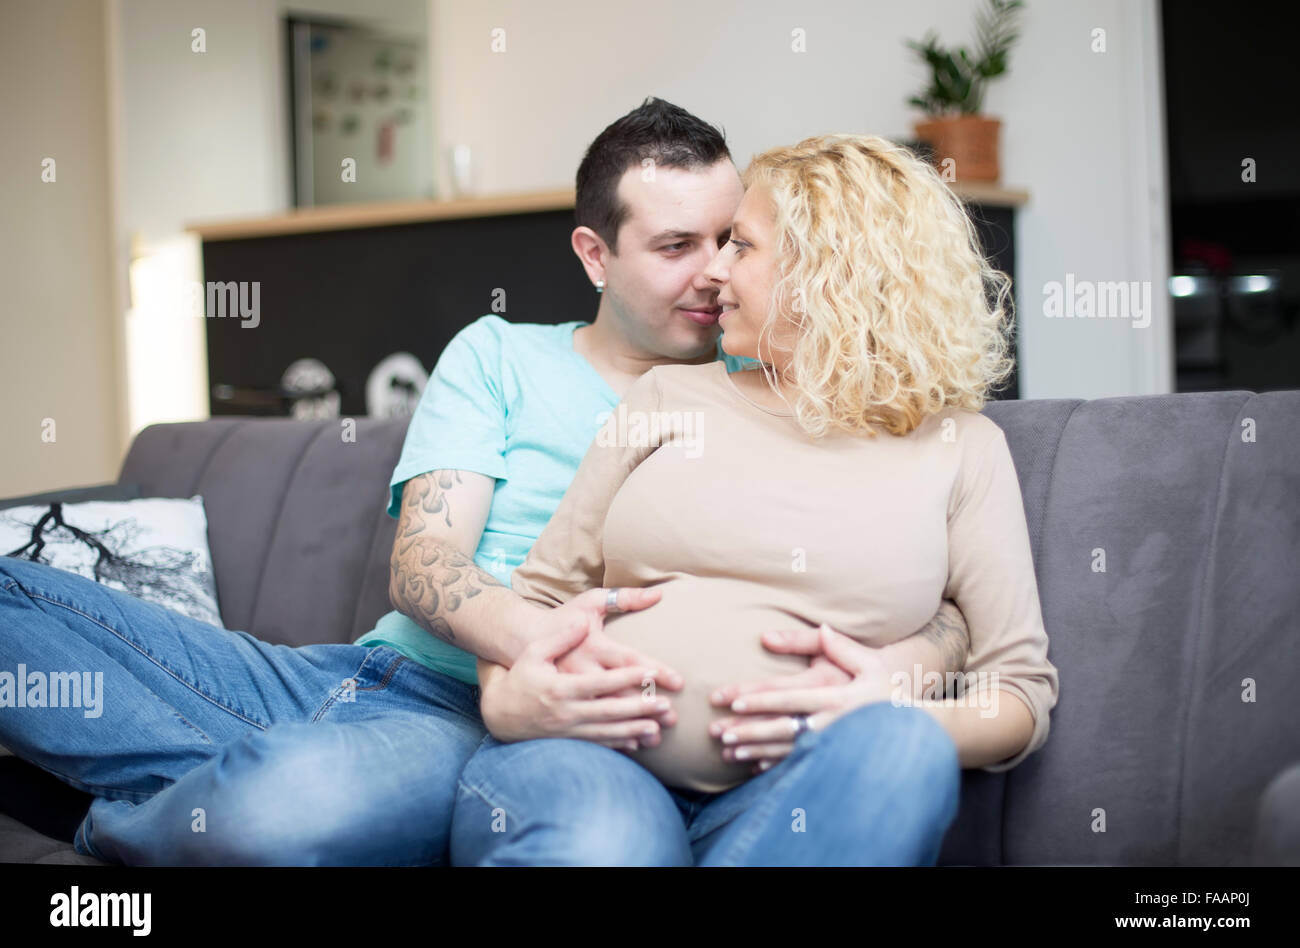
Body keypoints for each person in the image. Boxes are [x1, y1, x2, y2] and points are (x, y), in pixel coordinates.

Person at [0, 99, 968, 865]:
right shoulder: (500, 355)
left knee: (282, 811)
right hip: (390, 678)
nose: (714, 273)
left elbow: (905, 548)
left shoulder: (767, 379)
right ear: (595, 253)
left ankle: (107, 827)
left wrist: (916, 652)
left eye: (730, 239)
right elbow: (424, 561)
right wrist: (538, 640)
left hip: (502, 740)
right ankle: (201, 774)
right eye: (676, 247)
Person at [449, 132, 1060, 865]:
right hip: (591, 761)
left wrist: (885, 702)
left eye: (740, 245)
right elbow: (540, 596)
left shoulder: (962, 446)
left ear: (826, 272)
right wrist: (509, 700)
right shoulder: (666, 396)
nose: (714, 270)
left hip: (797, 793)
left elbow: (1019, 694)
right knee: (609, 845)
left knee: (905, 750)